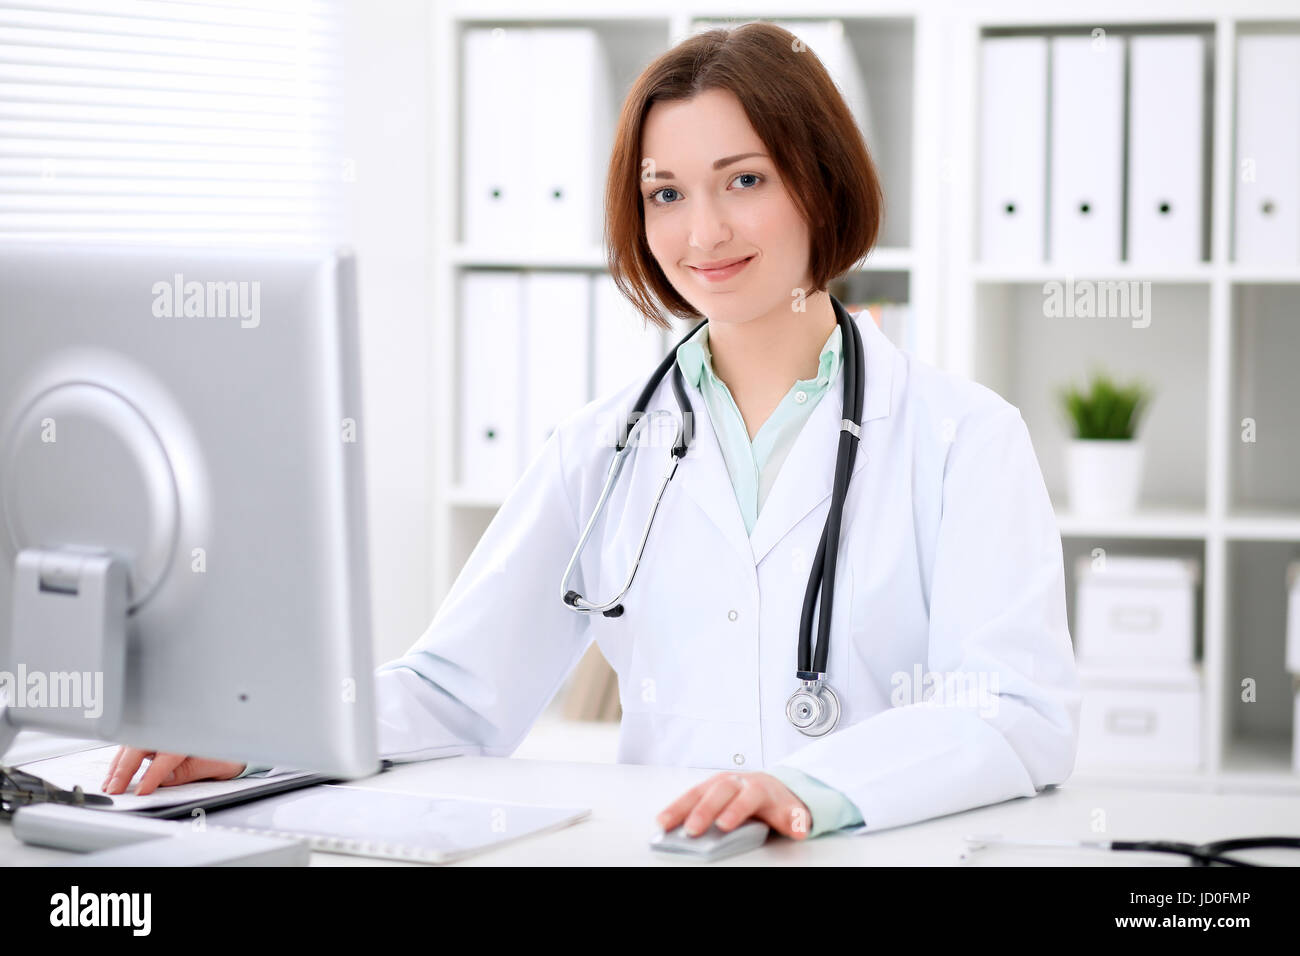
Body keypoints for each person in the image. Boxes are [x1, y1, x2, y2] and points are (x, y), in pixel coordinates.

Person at [104, 21, 1080, 842]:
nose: (702, 233)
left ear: (819, 180)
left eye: (742, 180)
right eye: (666, 192)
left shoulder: (962, 437)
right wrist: (270, 730)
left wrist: (813, 789)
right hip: (671, 851)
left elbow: (1017, 714)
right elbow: (455, 693)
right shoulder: (600, 444)